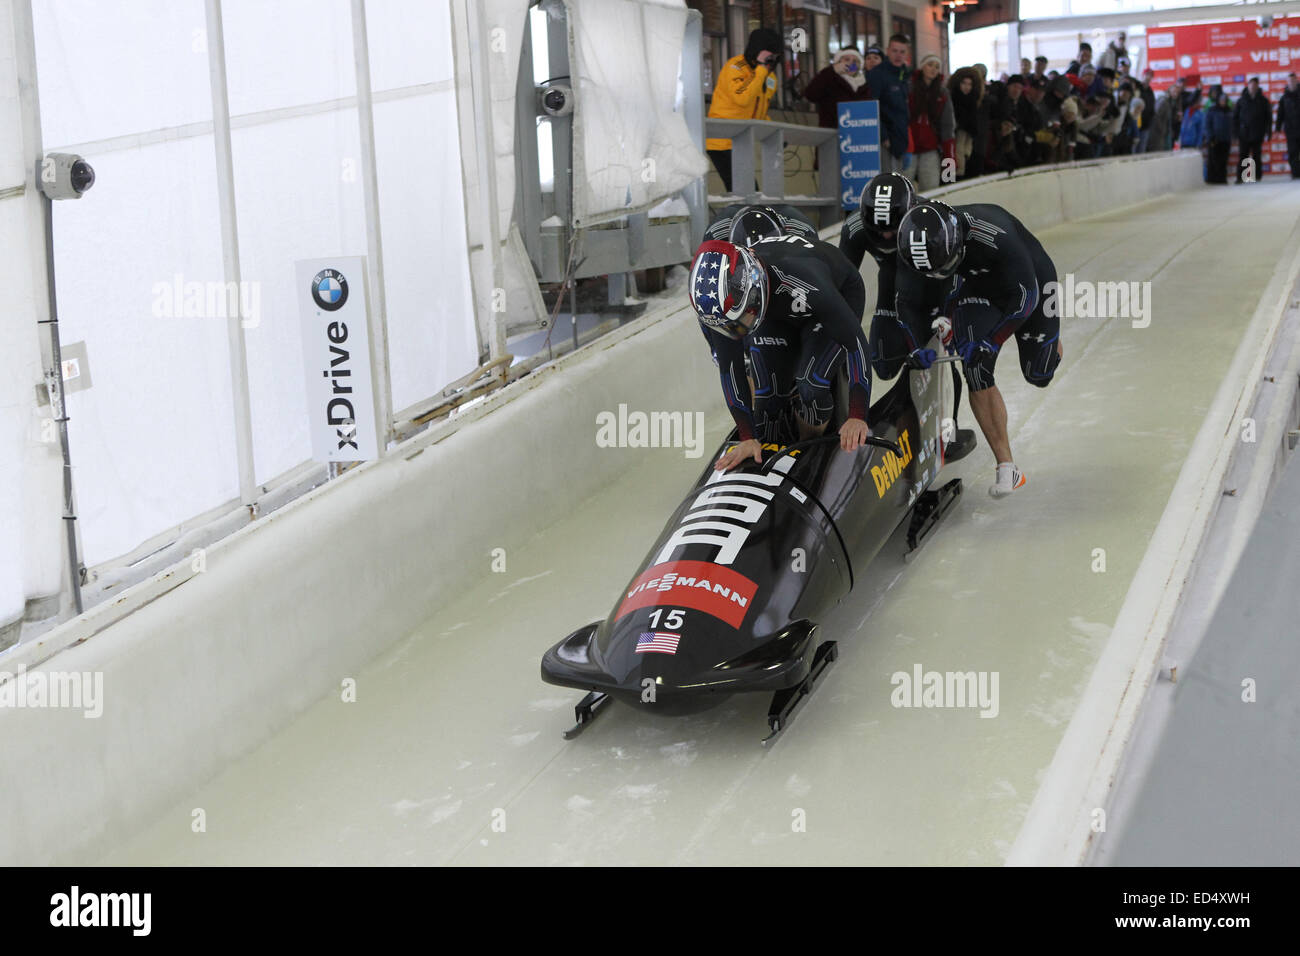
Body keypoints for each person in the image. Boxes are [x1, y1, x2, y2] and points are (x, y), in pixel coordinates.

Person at [896, 201, 1064, 498]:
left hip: (1030, 282)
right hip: (974, 285)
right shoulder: (917, 246)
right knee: (975, 368)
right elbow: (908, 302)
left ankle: (1049, 344)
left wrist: (992, 341)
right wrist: (937, 326)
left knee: (1040, 373)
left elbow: (1026, 297)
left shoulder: (993, 235)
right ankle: (1007, 468)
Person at [688, 237, 875, 471]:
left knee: (811, 386)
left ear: (755, 291)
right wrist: (747, 437)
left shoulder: (806, 279)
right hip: (774, 313)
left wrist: (858, 414)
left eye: (740, 319)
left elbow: (856, 344)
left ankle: (810, 452)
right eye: (727, 325)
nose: (734, 330)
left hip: (833, 297)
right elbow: (730, 368)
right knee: (767, 406)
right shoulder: (715, 309)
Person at [840, 173, 977, 460]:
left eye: (893, 228)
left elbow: (955, 265)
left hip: (931, 286)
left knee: (938, 354)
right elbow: (843, 280)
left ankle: (948, 431)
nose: (887, 236)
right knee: (884, 363)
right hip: (893, 287)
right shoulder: (854, 229)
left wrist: (952, 317)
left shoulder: (928, 218)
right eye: (880, 231)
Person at [705, 28, 782, 192]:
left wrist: (773, 133)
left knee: (745, 192)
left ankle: (740, 216)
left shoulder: (770, 78)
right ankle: (739, 217)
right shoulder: (736, 67)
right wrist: (761, 69)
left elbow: (759, 112)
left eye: (775, 56)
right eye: (769, 55)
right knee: (746, 191)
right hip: (722, 141)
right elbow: (742, 98)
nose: (772, 60)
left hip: (741, 141)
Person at [868, 34, 912, 176]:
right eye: (894, 51)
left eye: (902, 52)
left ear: (907, 54)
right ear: (887, 51)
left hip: (900, 139)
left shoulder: (904, 75)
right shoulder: (877, 74)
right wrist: (883, 135)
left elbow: (903, 111)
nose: (898, 55)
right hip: (885, 140)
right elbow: (872, 106)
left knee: (898, 183)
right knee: (887, 182)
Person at [909, 54, 955, 189]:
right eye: (930, 65)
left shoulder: (943, 92)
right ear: (922, 67)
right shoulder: (908, 88)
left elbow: (948, 125)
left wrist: (949, 159)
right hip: (908, 147)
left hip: (930, 148)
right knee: (904, 188)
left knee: (931, 187)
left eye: (937, 67)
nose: (933, 69)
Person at [801, 47, 872, 129]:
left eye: (855, 61)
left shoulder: (864, 84)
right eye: (847, 59)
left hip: (857, 133)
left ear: (859, 65)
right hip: (831, 133)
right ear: (839, 62)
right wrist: (831, 70)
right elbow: (810, 94)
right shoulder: (829, 78)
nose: (850, 63)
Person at [948, 67, 984, 179]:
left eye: (970, 84)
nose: (967, 87)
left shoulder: (973, 104)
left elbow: (972, 133)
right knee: (949, 178)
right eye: (964, 83)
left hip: (965, 154)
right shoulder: (951, 101)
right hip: (949, 149)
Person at [1235, 77, 1271, 183]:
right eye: (1251, 85)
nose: (1253, 87)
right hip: (1244, 133)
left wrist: (1268, 131)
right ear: (1248, 86)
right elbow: (1235, 118)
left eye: (1255, 85)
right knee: (1243, 156)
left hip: (1258, 132)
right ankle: (1241, 177)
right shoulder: (1241, 100)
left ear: (1257, 86)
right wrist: (1235, 133)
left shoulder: (1263, 101)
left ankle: (1257, 176)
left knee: (1256, 155)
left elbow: (1268, 117)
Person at [1204, 91, 1232, 184]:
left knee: (1223, 160)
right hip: (1214, 140)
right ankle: (1212, 179)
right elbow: (1207, 125)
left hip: (1226, 139)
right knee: (1213, 160)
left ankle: (1222, 178)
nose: (1223, 102)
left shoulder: (1229, 110)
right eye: (1221, 100)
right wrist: (1210, 137)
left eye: (1225, 100)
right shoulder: (1212, 110)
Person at [1277, 73, 1300, 179]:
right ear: (1287, 82)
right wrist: (1277, 128)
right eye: (1289, 81)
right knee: (1293, 152)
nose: (1291, 82)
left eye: (1293, 80)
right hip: (1290, 130)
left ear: (1296, 81)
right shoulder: (1284, 97)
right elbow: (1280, 114)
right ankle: (1295, 173)